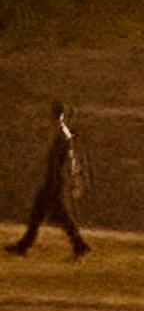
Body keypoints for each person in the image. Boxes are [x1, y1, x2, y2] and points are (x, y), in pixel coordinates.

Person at [11, 106, 86, 260]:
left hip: (53, 183)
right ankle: (78, 245)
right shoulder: (63, 134)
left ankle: (23, 246)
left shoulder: (62, 136)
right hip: (54, 182)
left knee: (47, 215)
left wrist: (67, 179)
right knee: (51, 215)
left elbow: (62, 161)